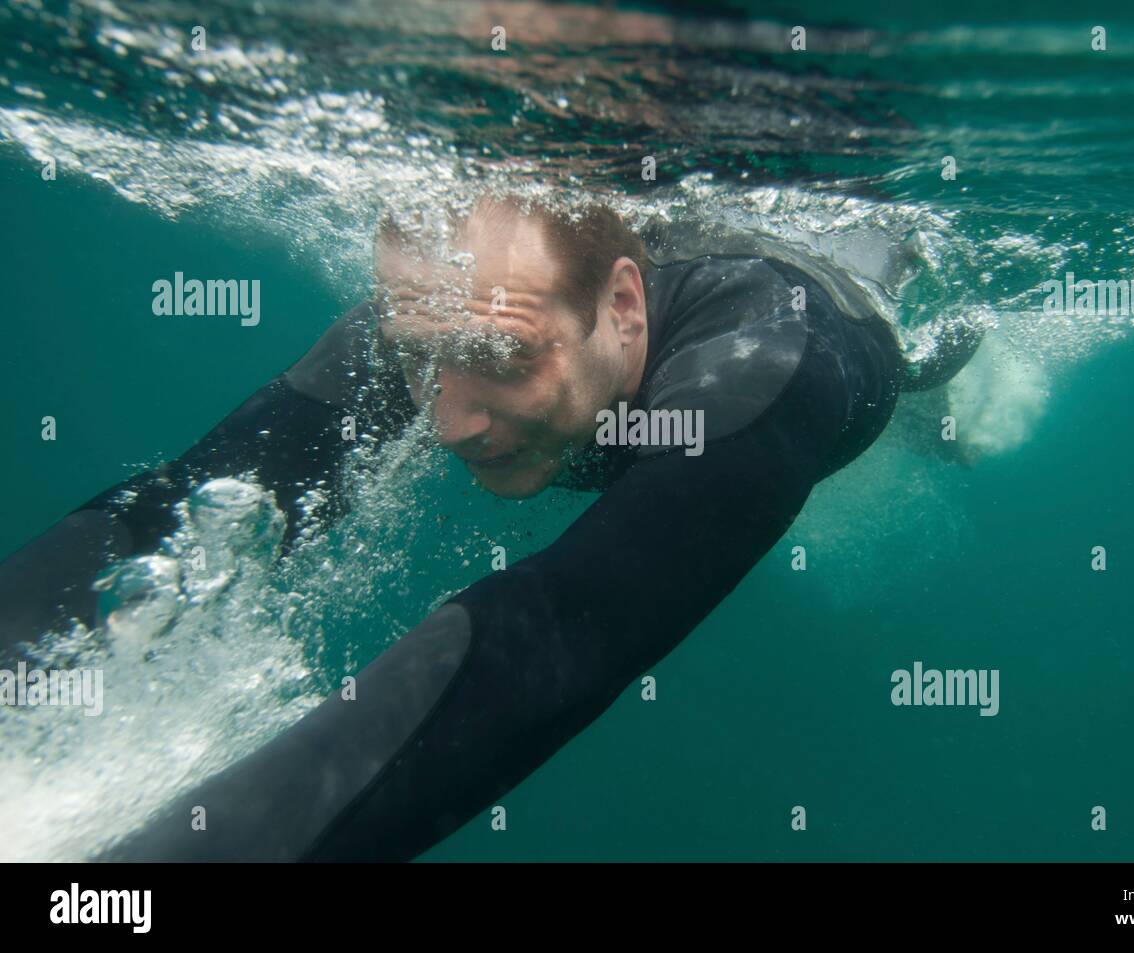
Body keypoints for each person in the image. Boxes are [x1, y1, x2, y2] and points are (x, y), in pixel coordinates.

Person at [0, 193, 981, 861]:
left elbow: (555, 633)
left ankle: (945, 410)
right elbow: (191, 501)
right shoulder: (456, 308)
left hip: (853, 302)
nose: (447, 418)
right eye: (426, 360)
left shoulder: (775, 365)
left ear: (624, 308)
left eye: (499, 360)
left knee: (927, 357)